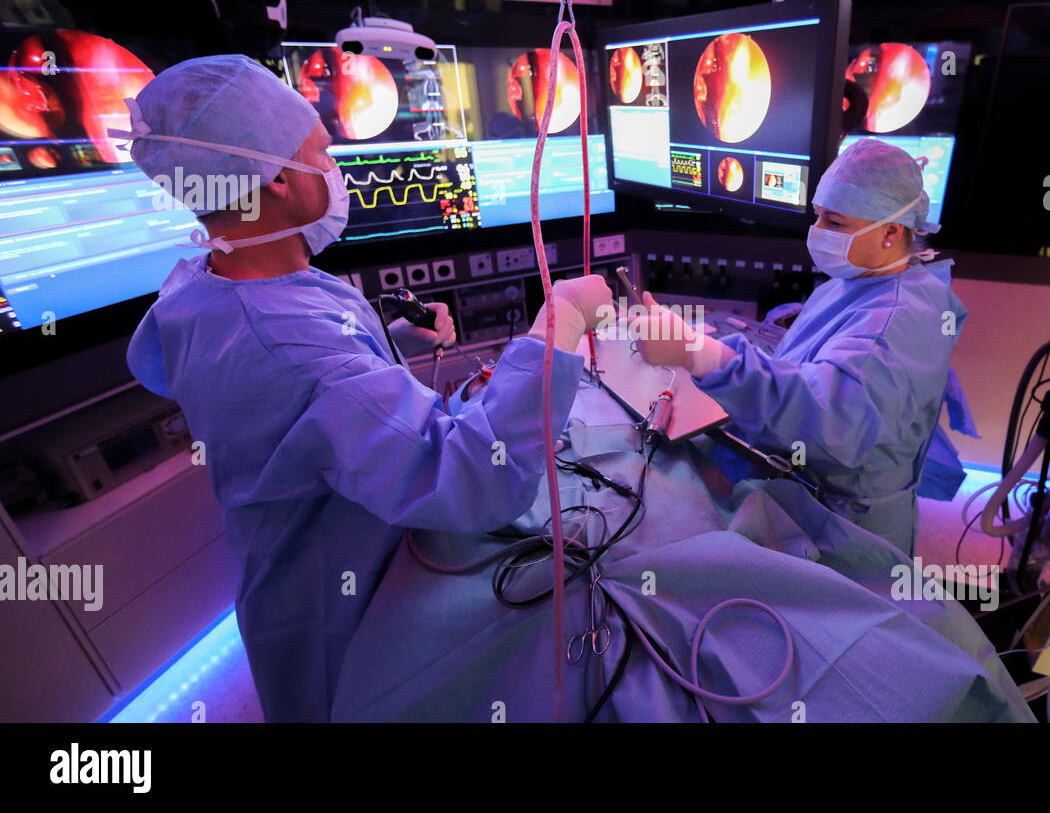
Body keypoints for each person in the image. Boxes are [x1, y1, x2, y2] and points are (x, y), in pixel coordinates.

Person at [115, 55, 611, 721]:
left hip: (286, 576)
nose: (335, 164)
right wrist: (562, 321)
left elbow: (287, 387)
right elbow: (471, 475)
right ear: (282, 181)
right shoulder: (298, 350)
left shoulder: (213, 286)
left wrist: (383, 353)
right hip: (340, 623)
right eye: (322, 150)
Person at [636, 139, 966, 556]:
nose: (818, 232)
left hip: (845, 528)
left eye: (835, 221)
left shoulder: (898, 320)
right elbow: (808, 363)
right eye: (818, 216)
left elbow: (830, 420)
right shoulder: (863, 279)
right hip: (804, 483)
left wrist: (697, 354)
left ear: (890, 232)